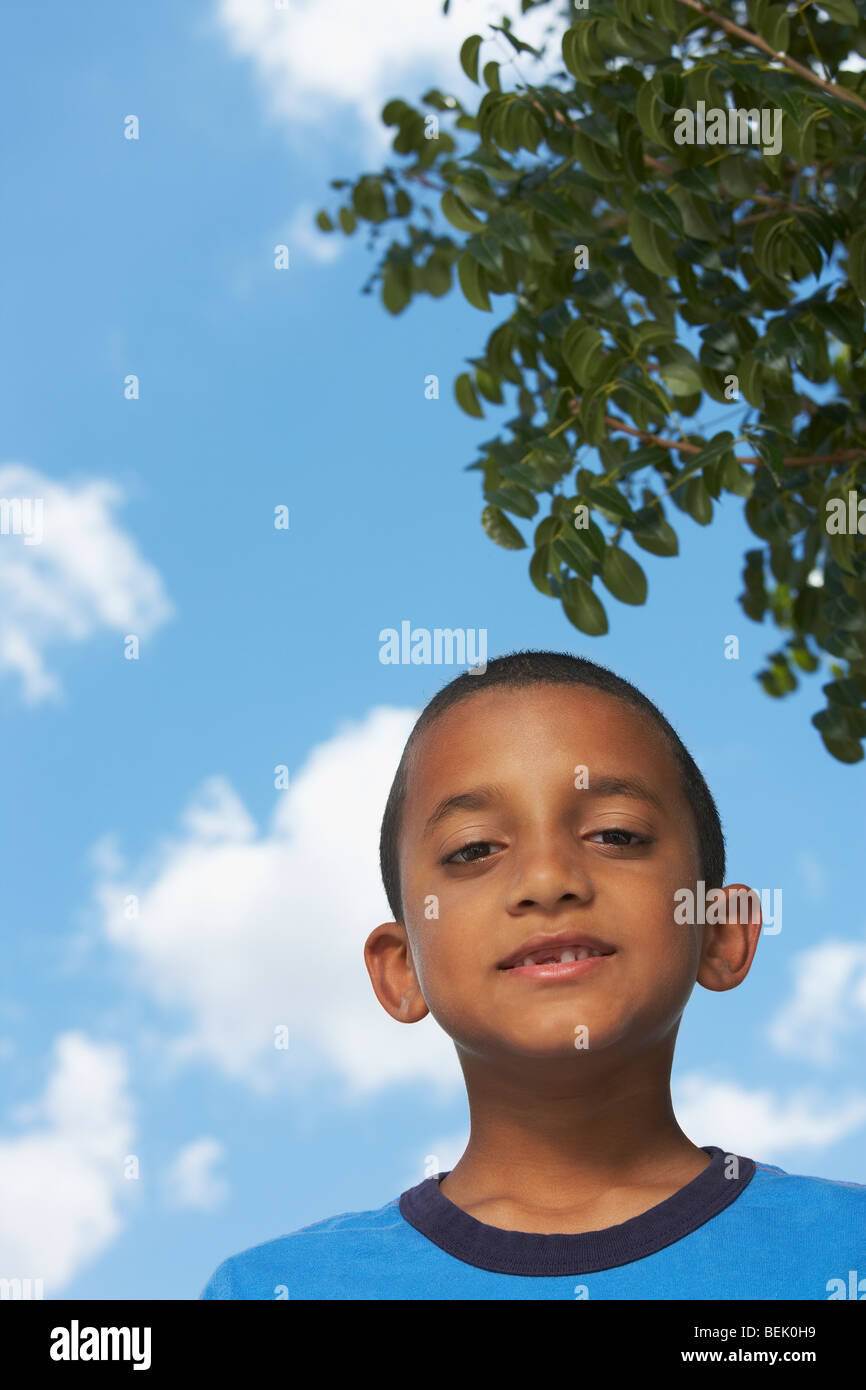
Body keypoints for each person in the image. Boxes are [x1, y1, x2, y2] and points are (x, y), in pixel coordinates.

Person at [201, 650, 865, 1299]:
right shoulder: (270, 1290)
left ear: (721, 933)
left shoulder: (848, 1251)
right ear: (401, 970)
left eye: (616, 834)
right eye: (475, 849)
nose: (547, 880)